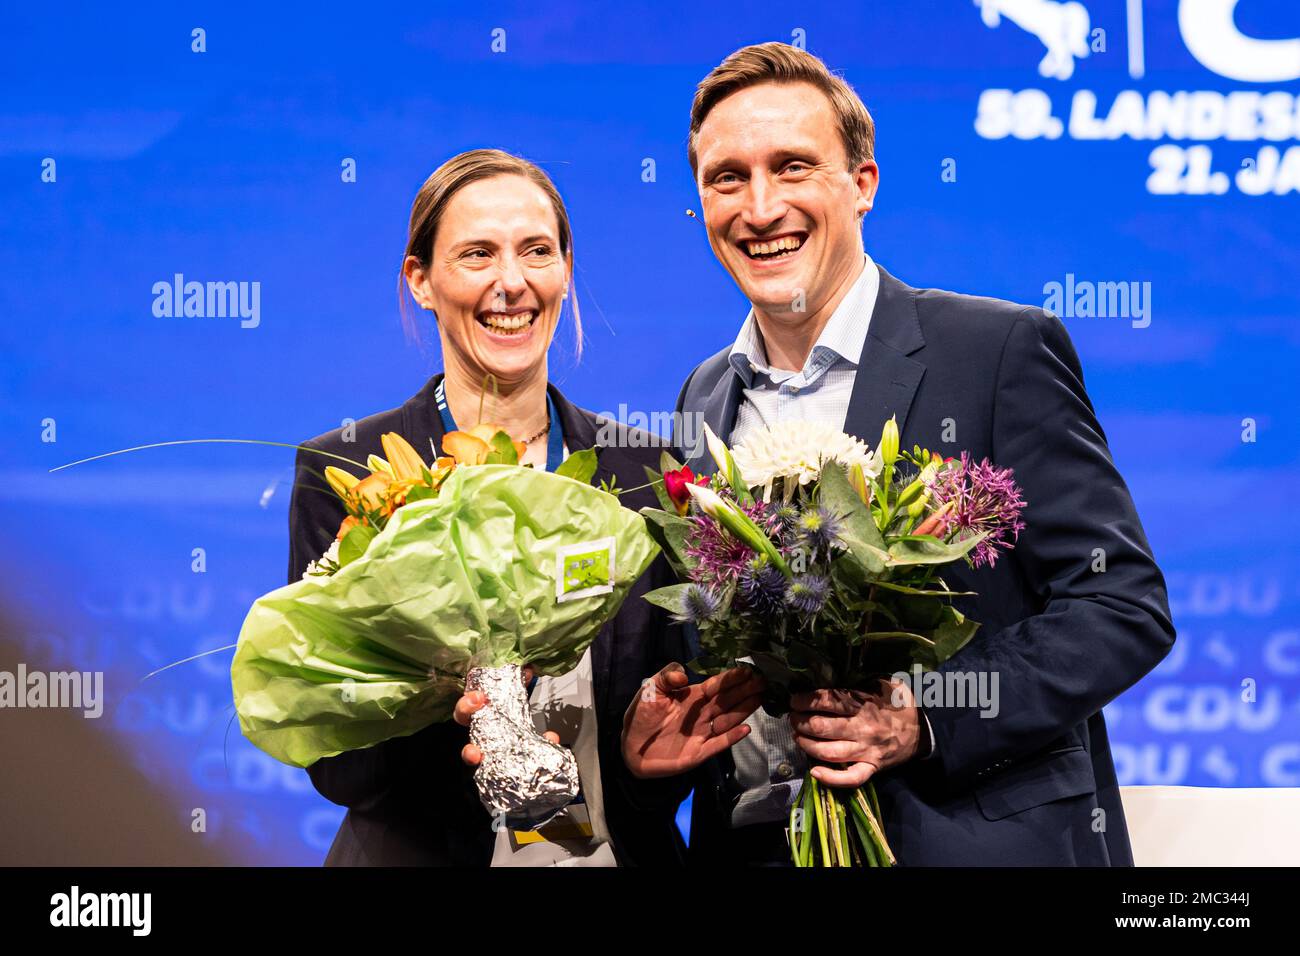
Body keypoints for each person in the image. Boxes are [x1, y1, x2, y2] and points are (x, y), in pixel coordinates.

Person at [621, 43, 1176, 866]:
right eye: (727, 178)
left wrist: (930, 715)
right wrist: (668, 719)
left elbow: (1122, 605)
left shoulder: (996, 352)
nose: (760, 206)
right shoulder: (704, 396)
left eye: (793, 166)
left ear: (862, 184)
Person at [288, 148, 750, 866]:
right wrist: (454, 708)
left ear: (565, 269)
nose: (512, 283)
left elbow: (666, 747)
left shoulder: (647, 473)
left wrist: (648, 762)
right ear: (421, 281)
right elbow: (338, 763)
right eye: (477, 254)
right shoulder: (350, 472)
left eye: (537, 251)